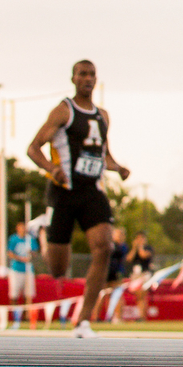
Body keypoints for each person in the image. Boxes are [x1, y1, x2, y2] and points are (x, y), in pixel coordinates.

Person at [24, 60, 130, 337]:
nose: (87, 78)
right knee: (58, 268)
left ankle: (83, 320)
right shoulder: (64, 111)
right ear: (73, 78)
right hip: (63, 191)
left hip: (92, 191)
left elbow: (103, 154)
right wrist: (51, 169)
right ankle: (47, 233)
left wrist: (118, 167)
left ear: (96, 80)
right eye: (82, 74)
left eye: (92, 74)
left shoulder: (103, 116)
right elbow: (33, 148)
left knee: (104, 247)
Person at [8, 220, 38, 329]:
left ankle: (27, 317)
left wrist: (30, 253)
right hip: (16, 269)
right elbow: (10, 252)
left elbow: (35, 252)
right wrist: (21, 258)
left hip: (28, 269)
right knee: (14, 294)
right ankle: (14, 317)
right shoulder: (14, 239)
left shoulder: (30, 239)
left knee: (28, 294)